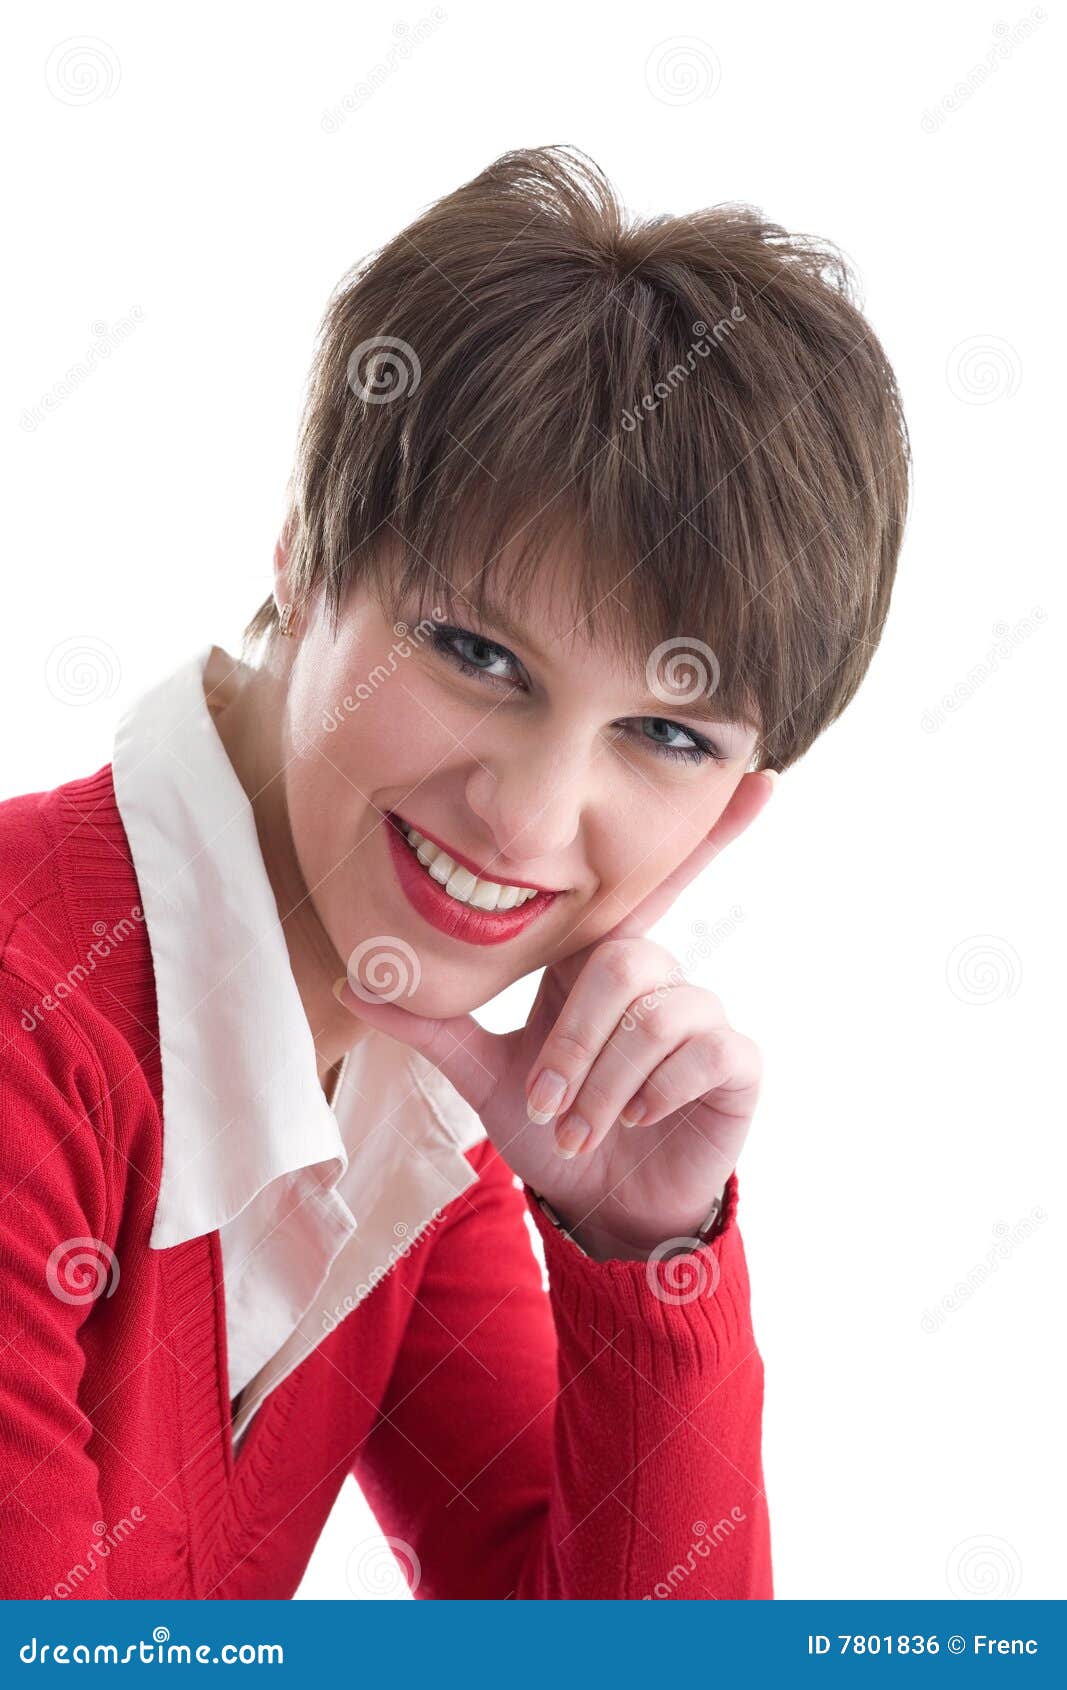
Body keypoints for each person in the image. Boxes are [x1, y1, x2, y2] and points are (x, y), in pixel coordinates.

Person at [0, 145, 909, 1600]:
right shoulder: (31, 1026)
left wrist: (638, 1245)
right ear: (303, 561)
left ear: (729, 810)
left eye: (662, 733)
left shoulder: (406, 1100)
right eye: (477, 653)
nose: (532, 819)